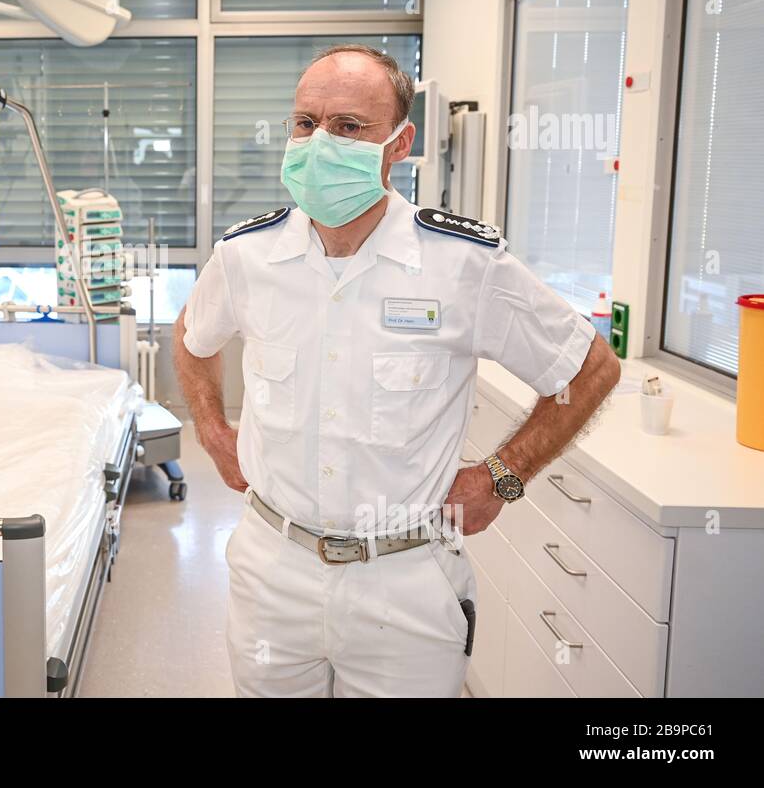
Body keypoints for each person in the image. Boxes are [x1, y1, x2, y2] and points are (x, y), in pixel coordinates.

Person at [173, 44, 620, 698]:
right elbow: (192, 338)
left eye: (349, 126)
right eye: (306, 122)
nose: (320, 141)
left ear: (400, 143)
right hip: (272, 569)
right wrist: (213, 432)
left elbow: (591, 369)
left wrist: (501, 478)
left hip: (405, 581)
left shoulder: (462, 265)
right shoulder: (248, 255)